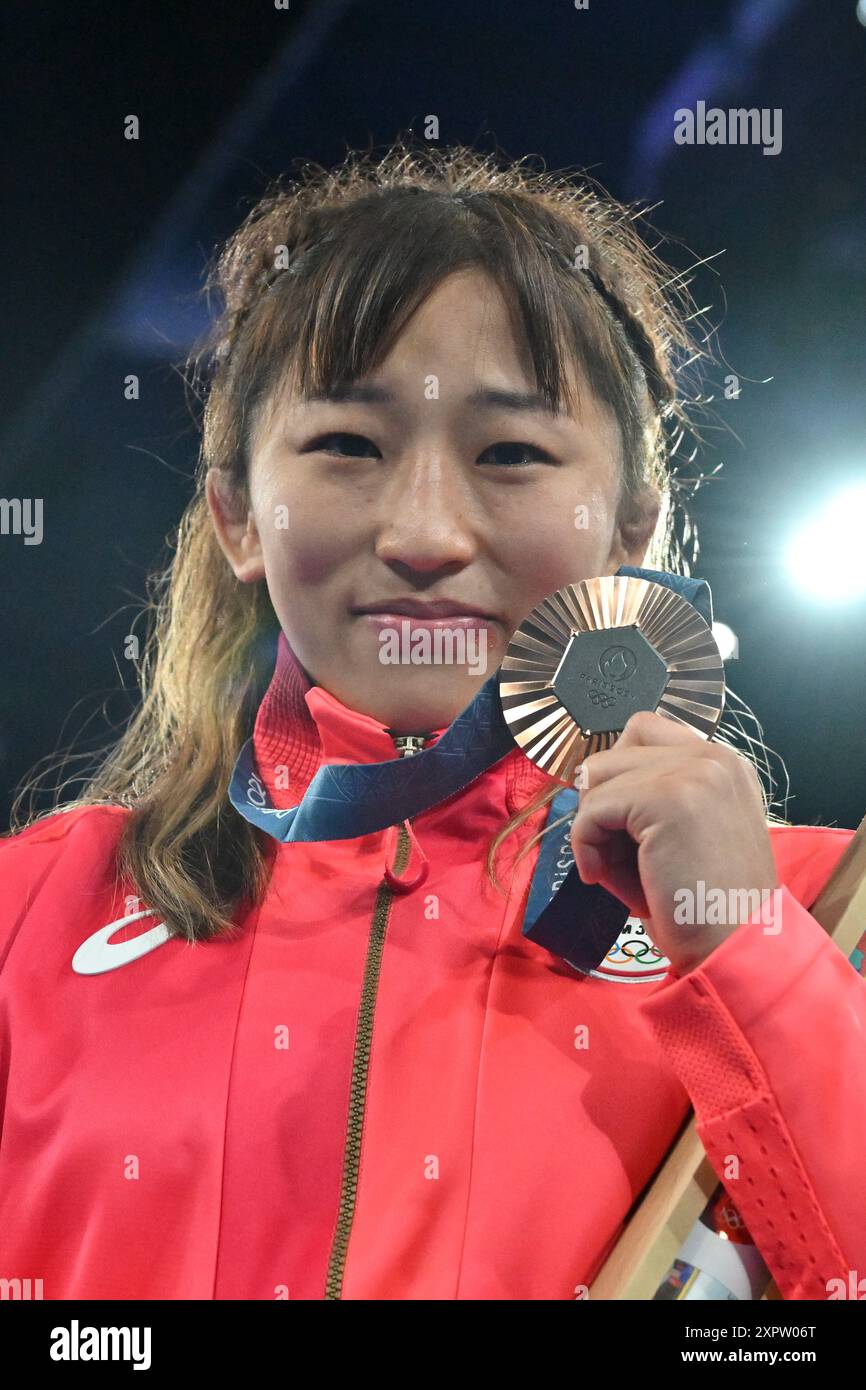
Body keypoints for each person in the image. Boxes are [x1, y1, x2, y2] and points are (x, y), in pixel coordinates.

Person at [1, 141, 862, 1302]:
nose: (422, 535)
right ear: (238, 518)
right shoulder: (30, 915)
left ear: (627, 528)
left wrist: (744, 950)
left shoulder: (820, 915)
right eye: (347, 446)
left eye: (509, 453)